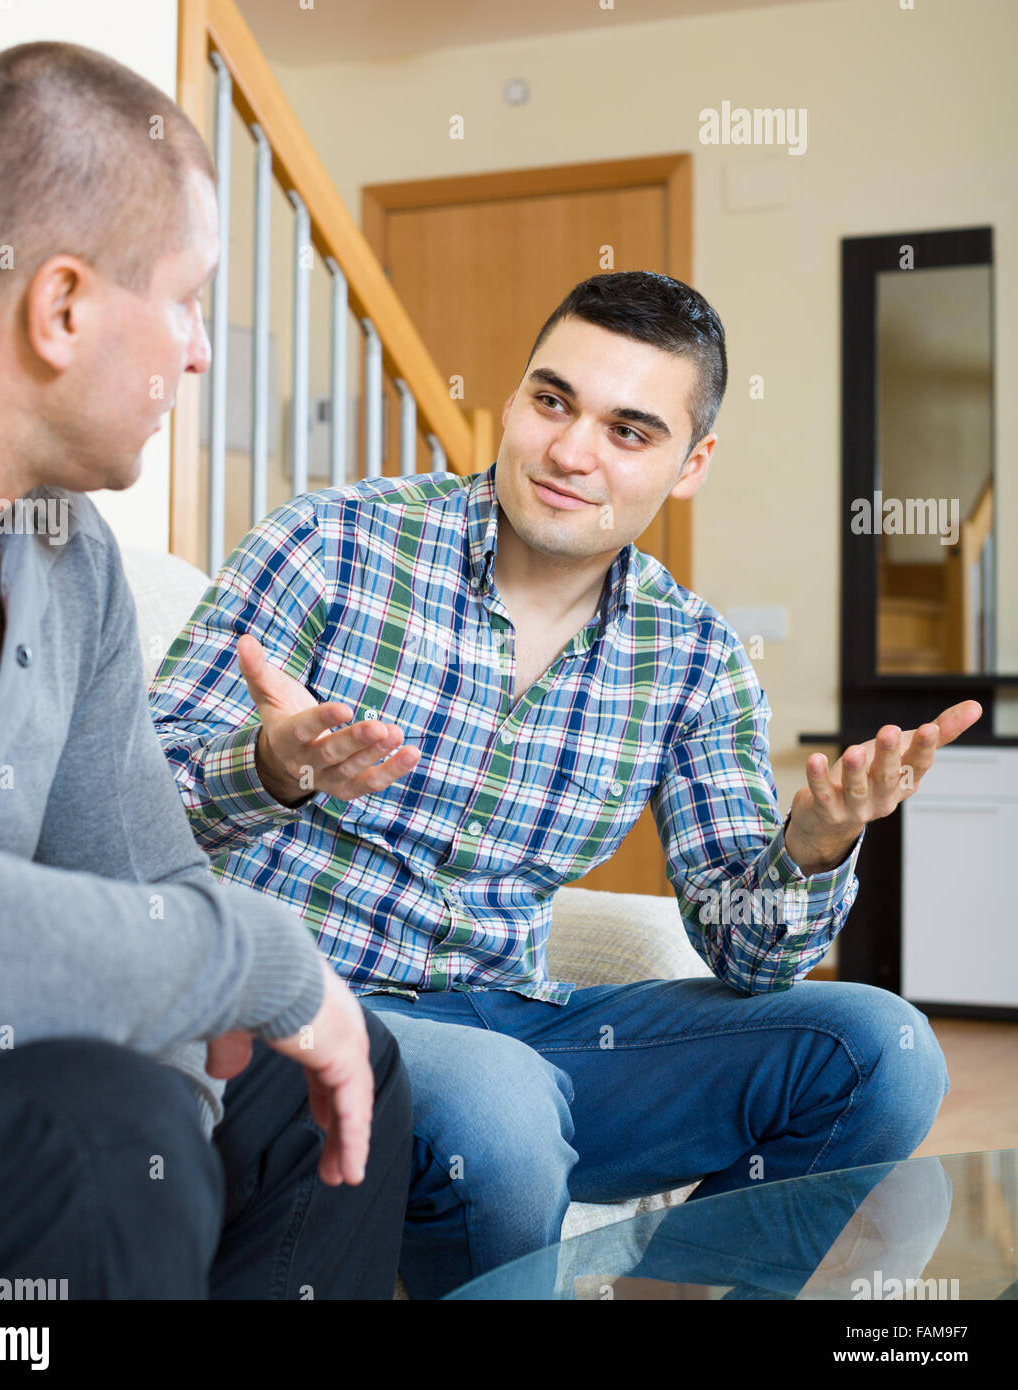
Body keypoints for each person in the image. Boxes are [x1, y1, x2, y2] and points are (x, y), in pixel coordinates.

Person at [149, 268, 978, 1300]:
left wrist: (812, 846)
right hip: (293, 1001)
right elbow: (130, 811)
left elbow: (746, 950)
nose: (571, 453)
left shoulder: (691, 654)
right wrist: (269, 766)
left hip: (514, 1018)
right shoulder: (331, 544)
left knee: (883, 1049)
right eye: (553, 401)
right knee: (500, 1104)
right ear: (516, 399)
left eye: (630, 431)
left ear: (691, 462)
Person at [0, 40, 412, 1301]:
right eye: (186, 302)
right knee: (95, 1135)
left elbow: (138, 868)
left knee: (332, 1076)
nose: (198, 354)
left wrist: (215, 1033)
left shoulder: (65, 557)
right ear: (61, 304)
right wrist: (252, 959)